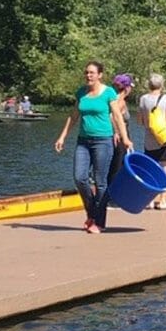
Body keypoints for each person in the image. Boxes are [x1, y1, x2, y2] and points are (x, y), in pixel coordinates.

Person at [54, 61, 133, 233]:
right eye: (87, 73)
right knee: (79, 177)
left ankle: (100, 222)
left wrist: (125, 138)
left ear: (100, 75)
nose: (88, 76)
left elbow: (118, 117)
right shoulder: (81, 93)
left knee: (100, 181)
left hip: (103, 141)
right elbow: (73, 115)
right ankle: (92, 213)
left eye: (92, 73)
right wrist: (62, 137)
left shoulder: (108, 92)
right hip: (83, 141)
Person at [137, 73, 166, 210]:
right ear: (161, 85)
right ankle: (162, 200)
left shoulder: (143, 99)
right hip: (165, 138)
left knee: (151, 169)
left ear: (149, 85)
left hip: (149, 139)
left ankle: (149, 201)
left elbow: (139, 120)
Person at [108, 74, 135, 201]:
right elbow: (112, 116)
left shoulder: (116, 98)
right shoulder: (120, 101)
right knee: (118, 164)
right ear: (127, 88)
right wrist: (117, 132)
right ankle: (113, 196)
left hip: (122, 134)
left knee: (122, 163)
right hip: (119, 137)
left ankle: (119, 193)